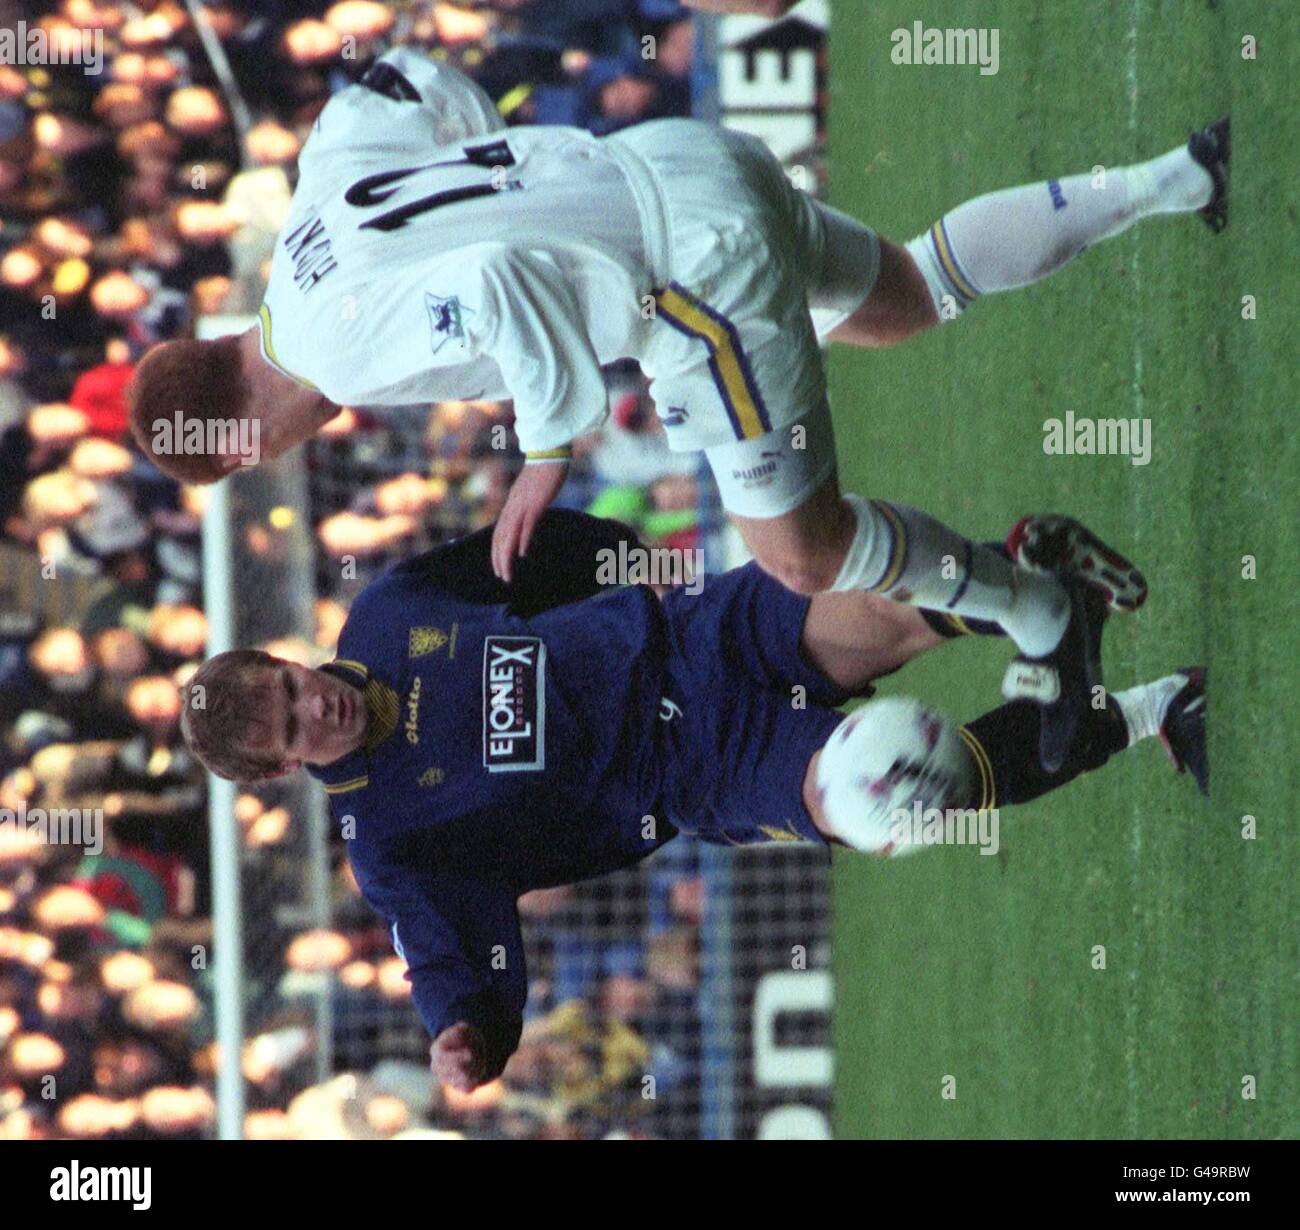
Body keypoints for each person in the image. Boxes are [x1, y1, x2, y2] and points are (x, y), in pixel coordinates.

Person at [129, 46, 1229, 768]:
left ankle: (1043, 614)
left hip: (686, 280)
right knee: (900, 295)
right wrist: (505, 171)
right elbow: (395, 80)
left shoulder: (339, 356)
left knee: (800, 555)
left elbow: (496, 286)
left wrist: (547, 448)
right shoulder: (306, 232)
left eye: (244, 461)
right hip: (672, 162)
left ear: (233, 442)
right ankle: (1177, 177)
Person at [178, 509, 1207, 1091]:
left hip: (692, 635)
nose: (311, 708)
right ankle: (1151, 706)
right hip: (700, 769)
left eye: (287, 687)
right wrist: (469, 1035)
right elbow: (448, 953)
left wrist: (639, 561)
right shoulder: (391, 842)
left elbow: (525, 549)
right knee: (892, 794)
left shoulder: (391, 609)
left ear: (284, 659)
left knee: (888, 607)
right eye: (289, 730)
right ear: (280, 772)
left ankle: (1038, 583)